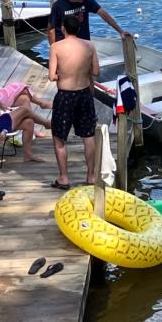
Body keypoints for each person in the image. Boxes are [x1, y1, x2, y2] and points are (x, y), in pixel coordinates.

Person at [48, 11, 101, 189]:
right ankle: (91, 176)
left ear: (63, 28)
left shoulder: (56, 47)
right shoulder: (89, 46)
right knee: (88, 135)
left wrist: (61, 74)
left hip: (65, 95)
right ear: (78, 28)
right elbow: (95, 72)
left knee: (59, 138)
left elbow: (51, 76)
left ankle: (64, 178)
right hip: (84, 93)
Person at [47, 0, 131, 43]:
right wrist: (54, 49)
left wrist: (120, 31)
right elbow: (51, 30)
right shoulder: (58, 6)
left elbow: (102, 13)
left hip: (84, 43)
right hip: (65, 45)